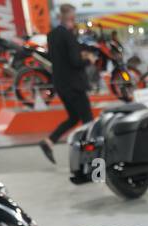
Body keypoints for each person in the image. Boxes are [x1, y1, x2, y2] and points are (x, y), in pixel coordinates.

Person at [38, 4, 98, 164]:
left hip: (61, 84)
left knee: (73, 118)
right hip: (74, 85)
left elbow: (58, 58)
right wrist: (88, 59)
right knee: (88, 122)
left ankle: (49, 141)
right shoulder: (68, 36)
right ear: (70, 17)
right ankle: (91, 160)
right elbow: (75, 61)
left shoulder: (52, 35)